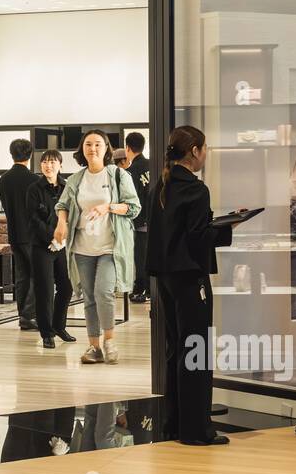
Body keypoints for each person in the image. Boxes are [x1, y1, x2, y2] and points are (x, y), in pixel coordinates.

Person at [147, 125, 237, 446]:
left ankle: (174, 424)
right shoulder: (197, 190)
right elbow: (199, 239)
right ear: (195, 151)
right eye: (205, 149)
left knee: (176, 351)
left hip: (166, 279)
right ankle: (197, 430)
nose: (206, 155)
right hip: (191, 279)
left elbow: (167, 235)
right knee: (195, 351)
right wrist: (227, 228)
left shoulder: (161, 185)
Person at [53, 129, 140, 365]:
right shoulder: (75, 179)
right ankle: (94, 347)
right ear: (82, 148)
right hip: (82, 247)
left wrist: (109, 207)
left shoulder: (118, 175)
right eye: (88, 144)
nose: (93, 149)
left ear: (106, 149)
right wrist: (61, 222)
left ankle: (109, 340)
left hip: (110, 246)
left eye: (98, 144)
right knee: (89, 297)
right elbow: (62, 205)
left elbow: (134, 208)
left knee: (103, 292)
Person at [26, 149, 74, 348]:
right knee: (44, 290)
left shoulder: (67, 186)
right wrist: (52, 237)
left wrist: (62, 239)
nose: (48, 165)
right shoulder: (34, 189)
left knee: (66, 287)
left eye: (53, 161)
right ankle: (47, 333)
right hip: (42, 246)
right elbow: (33, 219)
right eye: (44, 162)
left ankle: (59, 326)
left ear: (60, 165)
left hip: (63, 245)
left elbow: (72, 212)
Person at [0, 137, 39, 330]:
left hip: (14, 232)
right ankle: (29, 316)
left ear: (11, 154)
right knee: (36, 274)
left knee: (22, 275)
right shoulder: (34, 180)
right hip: (31, 234)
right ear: (30, 155)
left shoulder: (4, 180)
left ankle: (23, 315)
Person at [122, 132, 151, 304]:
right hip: (155, 220)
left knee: (140, 258)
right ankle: (149, 288)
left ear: (127, 148)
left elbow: (132, 198)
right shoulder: (154, 165)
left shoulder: (131, 172)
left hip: (140, 221)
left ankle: (141, 289)